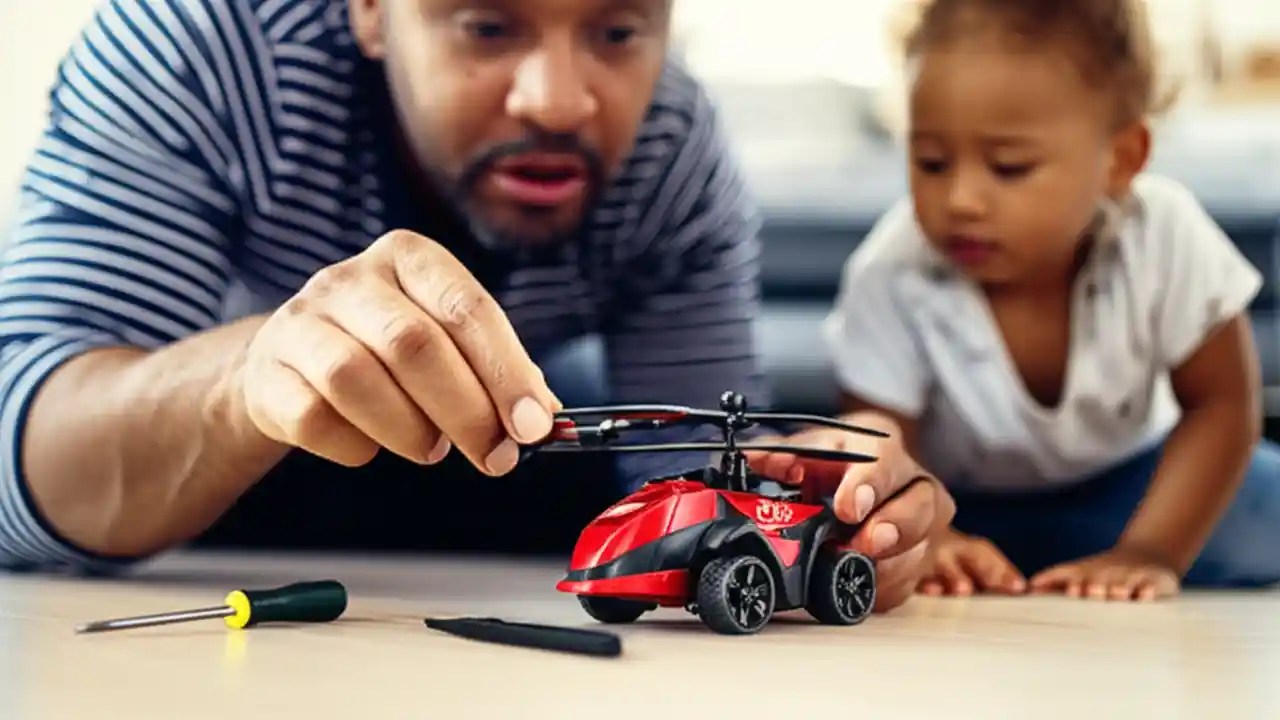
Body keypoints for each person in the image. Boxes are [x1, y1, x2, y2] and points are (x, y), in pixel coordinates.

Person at [0, 0, 951, 613]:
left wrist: (844, 510)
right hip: (197, 504)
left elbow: (689, 475)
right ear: (370, 11)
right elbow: (18, 466)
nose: (558, 102)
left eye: (619, 30)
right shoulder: (194, 54)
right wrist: (243, 382)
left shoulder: (671, 147)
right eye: (487, 26)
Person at [811, 0, 1280, 601]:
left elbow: (1222, 405)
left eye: (1008, 167)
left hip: (1140, 489)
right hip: (966, 506)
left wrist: (1151, 551)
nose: (961, 199)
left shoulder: (1163, 234)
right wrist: (939, 539)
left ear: (1121, 159)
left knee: (1263, 513)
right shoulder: (891, 269)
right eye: (931, 162)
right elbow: (880, 448)